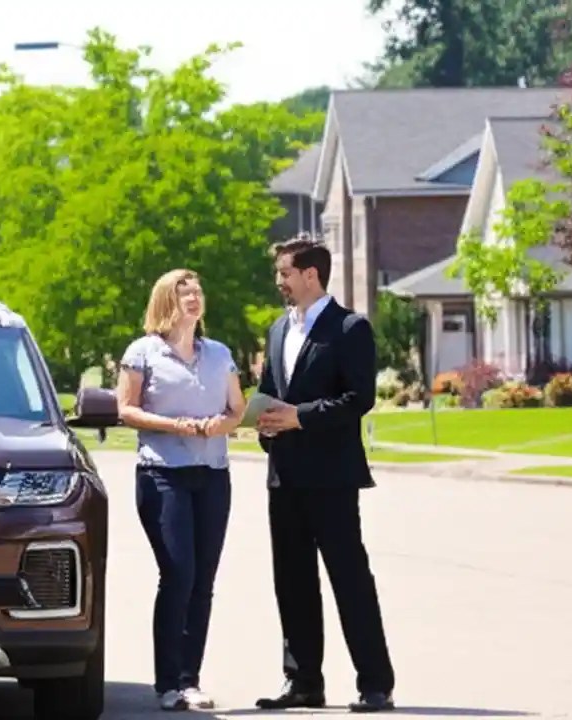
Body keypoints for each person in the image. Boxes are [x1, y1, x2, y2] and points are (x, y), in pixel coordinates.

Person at [253, 237, 396, 713]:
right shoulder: (278, 331)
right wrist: (266, 425)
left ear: (310, 275)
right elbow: (271, 391)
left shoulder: (350, 328)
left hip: (333, 479)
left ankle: (375, 684)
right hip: (284, 479)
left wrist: (301, 416)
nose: (279, 282)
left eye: (284, 274)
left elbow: (359, 399)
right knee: (291, 582)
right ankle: (303, 683)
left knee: (350, 580)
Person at [116, 268, 245, 711]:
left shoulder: (219, 354)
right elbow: (126, 410)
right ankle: (167, 682)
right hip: (162, 475)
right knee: (179, 575)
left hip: (212, 475)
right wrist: (175, 426)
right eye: (183, 292)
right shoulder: (143, 353)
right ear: (165, 301)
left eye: (197, 292)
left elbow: (237, 408)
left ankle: (190, 680)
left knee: (203, 582)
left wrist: (219, 425)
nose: (194, 298)